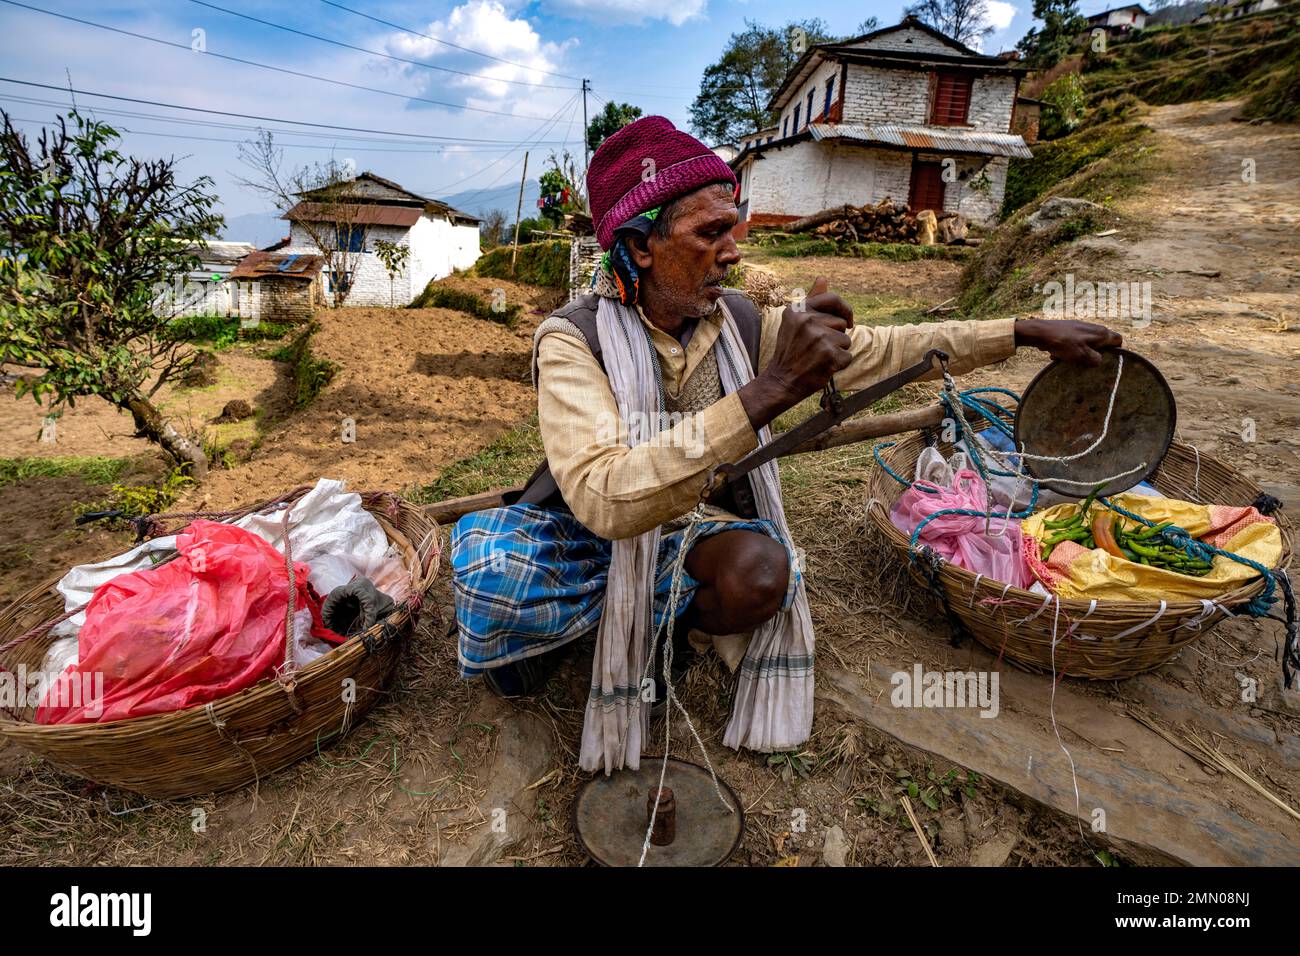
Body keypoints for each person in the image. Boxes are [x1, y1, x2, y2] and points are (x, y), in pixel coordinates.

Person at [451, 115, 1121, 773]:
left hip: (689, 526)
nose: (734, 250)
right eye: (710, 233)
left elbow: (885, 349)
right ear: (641, 245)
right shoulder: (573, 339)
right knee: (489, 577)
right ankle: (590, 625)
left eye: (734, 227)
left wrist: (1023, 332)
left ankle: (667, 632)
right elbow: (604, 499)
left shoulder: (739, 323)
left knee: (762, 572)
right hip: (587, 529)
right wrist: (770, 391)